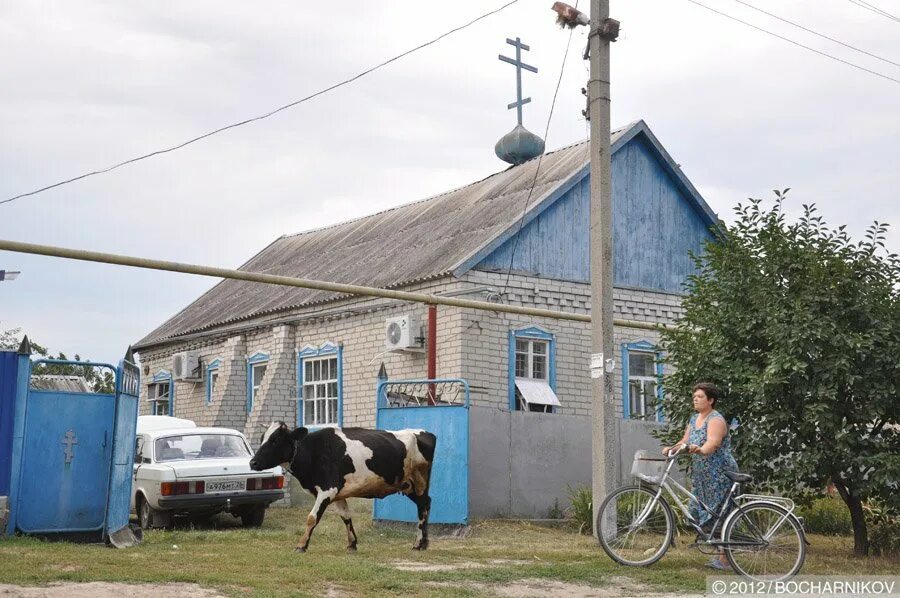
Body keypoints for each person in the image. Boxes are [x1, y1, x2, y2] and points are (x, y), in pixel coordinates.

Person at [663, 382, 739, 570]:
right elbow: (684, 441)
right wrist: (671, 449)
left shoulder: (716, 420)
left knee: (721, 513)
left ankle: (725, 559)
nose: (695, 399)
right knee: (702, 510)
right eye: (694, 396)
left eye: (700, 396)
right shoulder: (693, 419)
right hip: (703, 475)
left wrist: (701, 450)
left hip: (720, 473)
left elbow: (712, 443)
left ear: (711, 400)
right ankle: (721, 555)